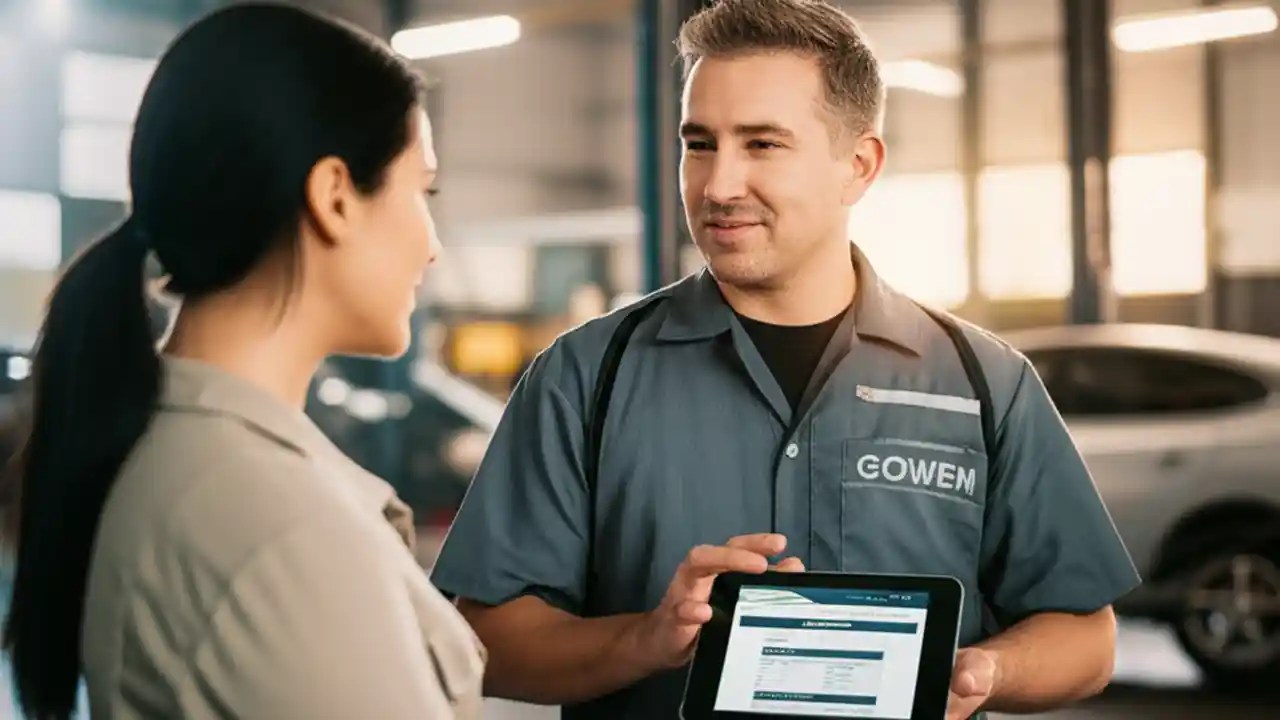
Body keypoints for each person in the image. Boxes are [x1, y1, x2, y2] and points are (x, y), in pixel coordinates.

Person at [431, 1, 1140, 718]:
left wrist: (980, 672)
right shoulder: (586, 378)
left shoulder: (984, 384)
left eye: (762, 144)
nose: (718, 185)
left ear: (858, 166)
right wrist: (645, 639)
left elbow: (1087, 635)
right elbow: (484, 639)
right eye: (699, 143)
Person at [2, 5, 484, 719]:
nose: (433, 244)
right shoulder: (276, 525)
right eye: (424, 191)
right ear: (334, 198)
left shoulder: (183, 456)